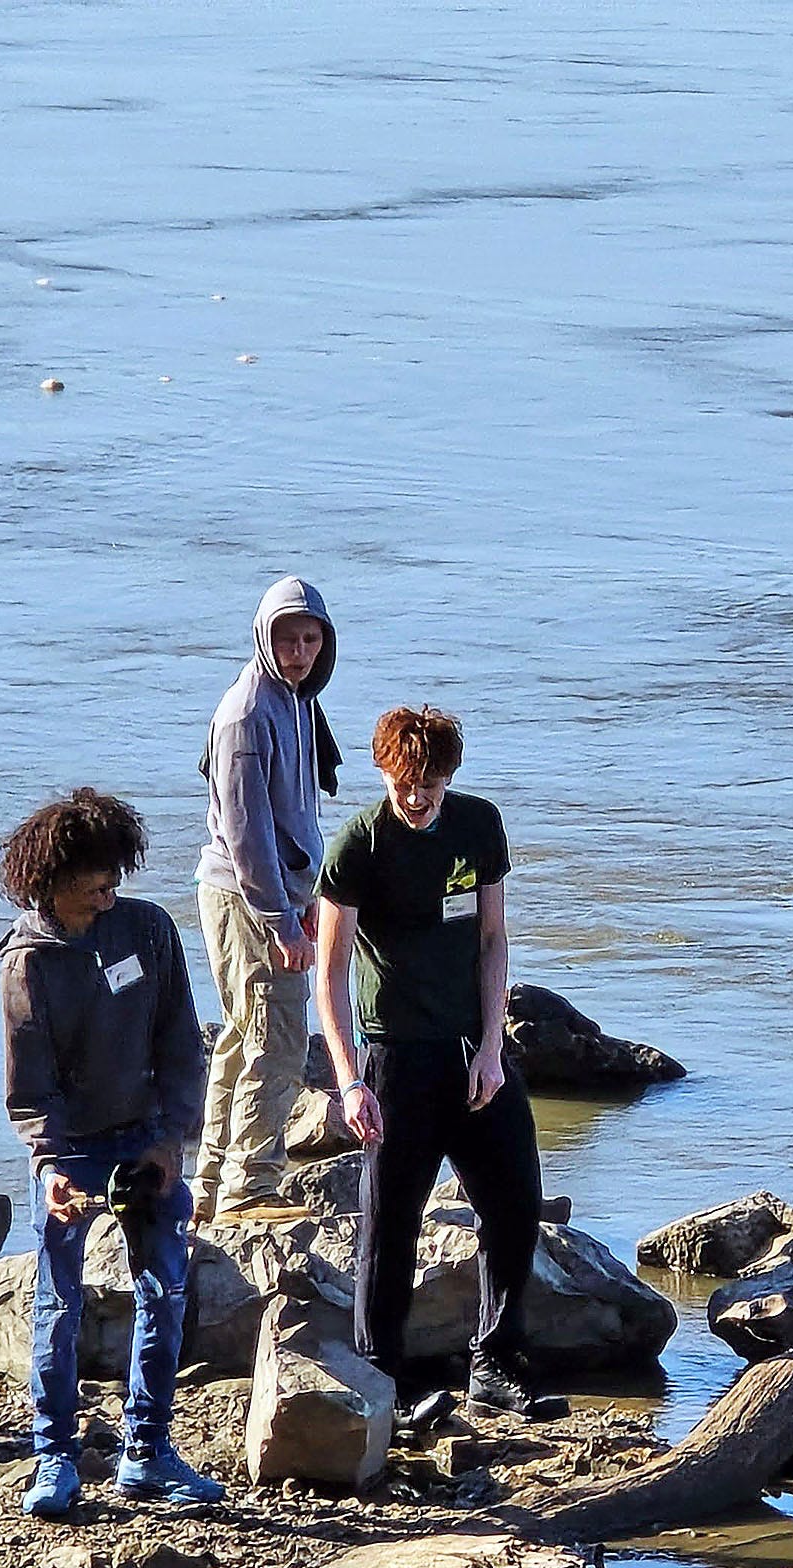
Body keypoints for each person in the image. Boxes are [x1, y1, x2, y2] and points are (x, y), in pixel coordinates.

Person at [314, 705, 552, 1417]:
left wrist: (490, 1047)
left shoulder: (478, 824)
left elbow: (492, 941)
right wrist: (349, 1078)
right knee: (391, 1222)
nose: (418, 798)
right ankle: (381, 1377)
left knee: (515, 1202)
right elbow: (327, 977)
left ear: (450, 777)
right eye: (407, 783)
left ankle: (496, 1364)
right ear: (385, 770)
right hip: (394, 1055)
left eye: (433, 784)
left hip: (471, 1051)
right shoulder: (359, 844)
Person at [0, 787, 223, 1517]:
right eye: (93, 883)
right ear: (50, 881)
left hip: (143, 1140)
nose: (107, 893)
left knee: (166, 1291)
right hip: (70, 1152)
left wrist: (171, 1139)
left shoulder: (149, 931)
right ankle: (53, 1458)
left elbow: (180, 1044)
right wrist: (51, 1167)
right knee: (58, 1304)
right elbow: (31, 1084)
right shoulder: (28, 962)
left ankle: (147, 1452)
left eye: (112, 877)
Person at [193, 575, 339, 1223]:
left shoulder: (299, 701)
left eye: (310, 639)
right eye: (287, 638)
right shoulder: (247, 712)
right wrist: (280, 918)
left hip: (277, 894)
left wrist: (308, 895)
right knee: (277, 1037)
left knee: (240, 1036)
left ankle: (205, 1190)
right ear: (262, 636)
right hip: (245, 897)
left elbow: (297, 814)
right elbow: (246, 832)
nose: (299, 651)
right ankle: (250, 1188)